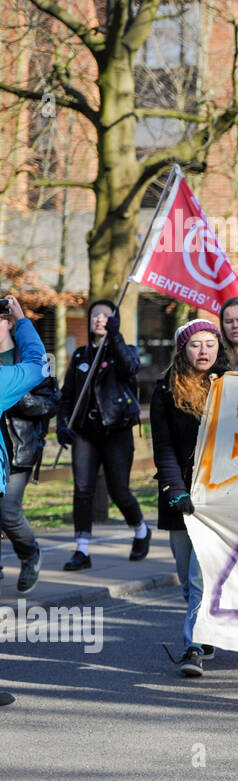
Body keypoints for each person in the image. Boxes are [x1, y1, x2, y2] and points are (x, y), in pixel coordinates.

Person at [151, 320, 227, 678]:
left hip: (217, 498)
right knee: (186, 575)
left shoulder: (230, 385)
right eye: (196, 344)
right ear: (183, 349)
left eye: (210, 344)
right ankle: (205, 625)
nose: (204, 351)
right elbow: (163, 447)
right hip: (179, 494)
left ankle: (192, 646)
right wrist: (176, 489)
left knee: (200, 576)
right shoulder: (165, 391)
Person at [56, 299, 150, 571]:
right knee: (82, 490)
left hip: (117, 430)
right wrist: (64, 424)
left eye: (106, 316)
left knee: (119, 490)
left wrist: (116, 335)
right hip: (86, 432)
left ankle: (141, 530)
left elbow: (130, 369)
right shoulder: (79, 356)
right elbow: (68, 396)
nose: (99, 319)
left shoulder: (124, 350)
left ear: (114, 320)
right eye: (95, 315)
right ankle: (82, 550)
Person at [0, 296, 57, 707]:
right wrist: (21, 321)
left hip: (19, 454)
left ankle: (28, 553)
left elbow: (45, 388)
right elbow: (38, 363)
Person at [0, 308, 58, 596]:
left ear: (9, 324)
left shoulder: (26, 360)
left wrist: (21, 399)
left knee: (8, 512)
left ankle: (30, 554)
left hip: (19, 448)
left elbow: (51, 403)